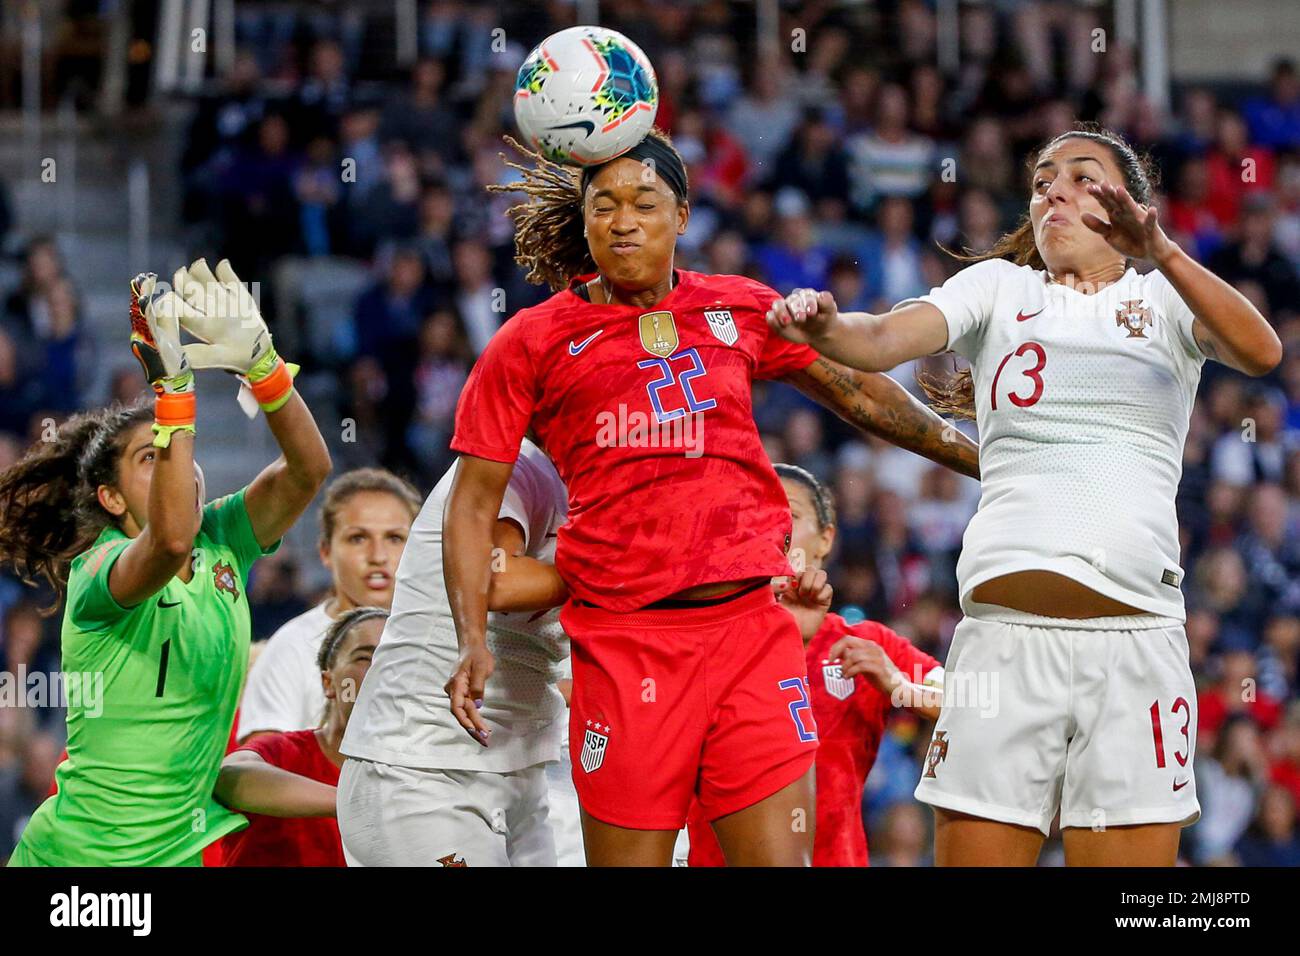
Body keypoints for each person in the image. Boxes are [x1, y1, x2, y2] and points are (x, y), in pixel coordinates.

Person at [441, 128, 979, 866]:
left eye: (644, 202)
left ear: (683, 216)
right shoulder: (530, 341)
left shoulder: (738, 308)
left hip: (749, 636)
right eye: (604, 206)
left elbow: (856, 390)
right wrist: (471, 637)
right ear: (585, 219)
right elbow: (472, 506)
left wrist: (978, 459)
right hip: (623, 647)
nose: (623, 220)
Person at [768, 122, 1283, 866]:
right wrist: (827, 325)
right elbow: (879, 337)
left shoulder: (1164, 298)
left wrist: (1163, 254)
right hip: (1002, 647)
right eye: (1043, 182)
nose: (1055, 194)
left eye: (1081, 177)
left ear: (1132, 206)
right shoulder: (999, 287)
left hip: (1136, 644)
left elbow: (1263, 352)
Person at [1, 259, 330, 865]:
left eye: (180, 449)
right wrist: (173, 395)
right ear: (111, 498)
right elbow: (170, 539)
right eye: (153, 457)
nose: (181, 461)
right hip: (77, 860)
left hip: (177, 855)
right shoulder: (97, 574)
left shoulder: (225, 537)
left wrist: (264, 367)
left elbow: (310, 469)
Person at [685, 464, 944, 866]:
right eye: (753, 514)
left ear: (826, 539)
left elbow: (971, 705)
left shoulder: (867, 643)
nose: (770, 528)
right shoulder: (697, 635)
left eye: (787, 512)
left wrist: (898, 684)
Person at [338, 438, 580, 867]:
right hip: (423, 767)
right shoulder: (516, 464)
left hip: (517, 769)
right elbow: (498, 580)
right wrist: (623, 564)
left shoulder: (579, 483)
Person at [237, 469, 419, 741]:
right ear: (325, 551)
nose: (378, 556)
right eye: (358, 538)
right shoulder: (293, 646)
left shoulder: (445, 640)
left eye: (394, 538)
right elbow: (260, 767)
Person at [217, 608, 386, 867]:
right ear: (328, 683)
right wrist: (349, 803)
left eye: (393, 658)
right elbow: (229, 775)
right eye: (364, 657)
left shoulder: (420, 774)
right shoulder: (285, 753)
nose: (381, 670)